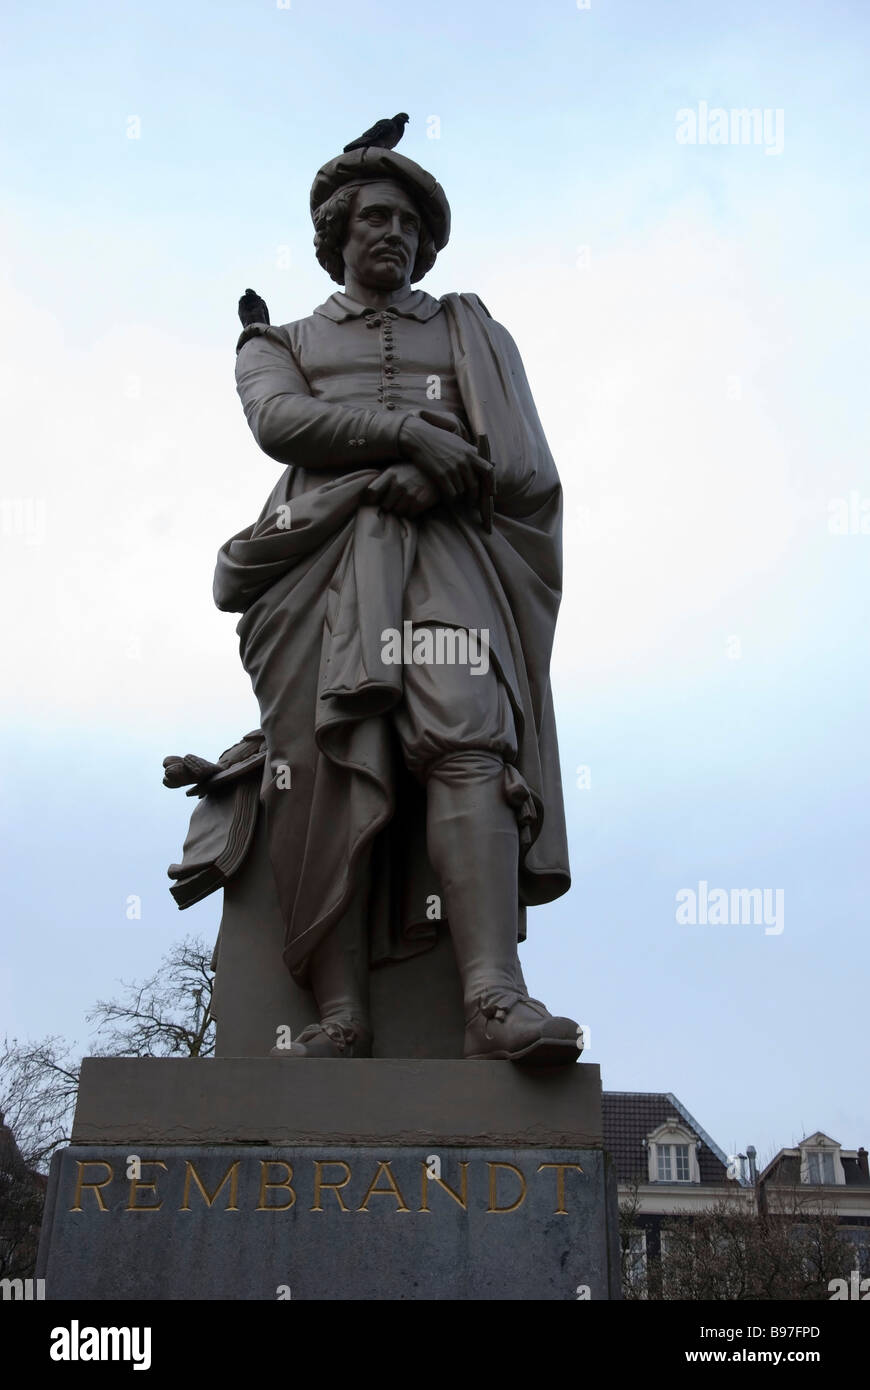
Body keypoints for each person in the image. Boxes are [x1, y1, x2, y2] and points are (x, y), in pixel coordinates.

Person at [214, 144, 578, 1064]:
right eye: (378, 217)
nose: (396, 234)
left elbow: (525, 463)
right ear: (337, 231)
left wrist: (448, 478)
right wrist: (407, 438)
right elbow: (279, 424)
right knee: (324, 769)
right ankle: (340, 1017)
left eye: (412, 225)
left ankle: (493, 998)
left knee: (468, 732)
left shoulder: (471, 333)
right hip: (319, 570)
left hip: (447, 557)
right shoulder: (282, 343)